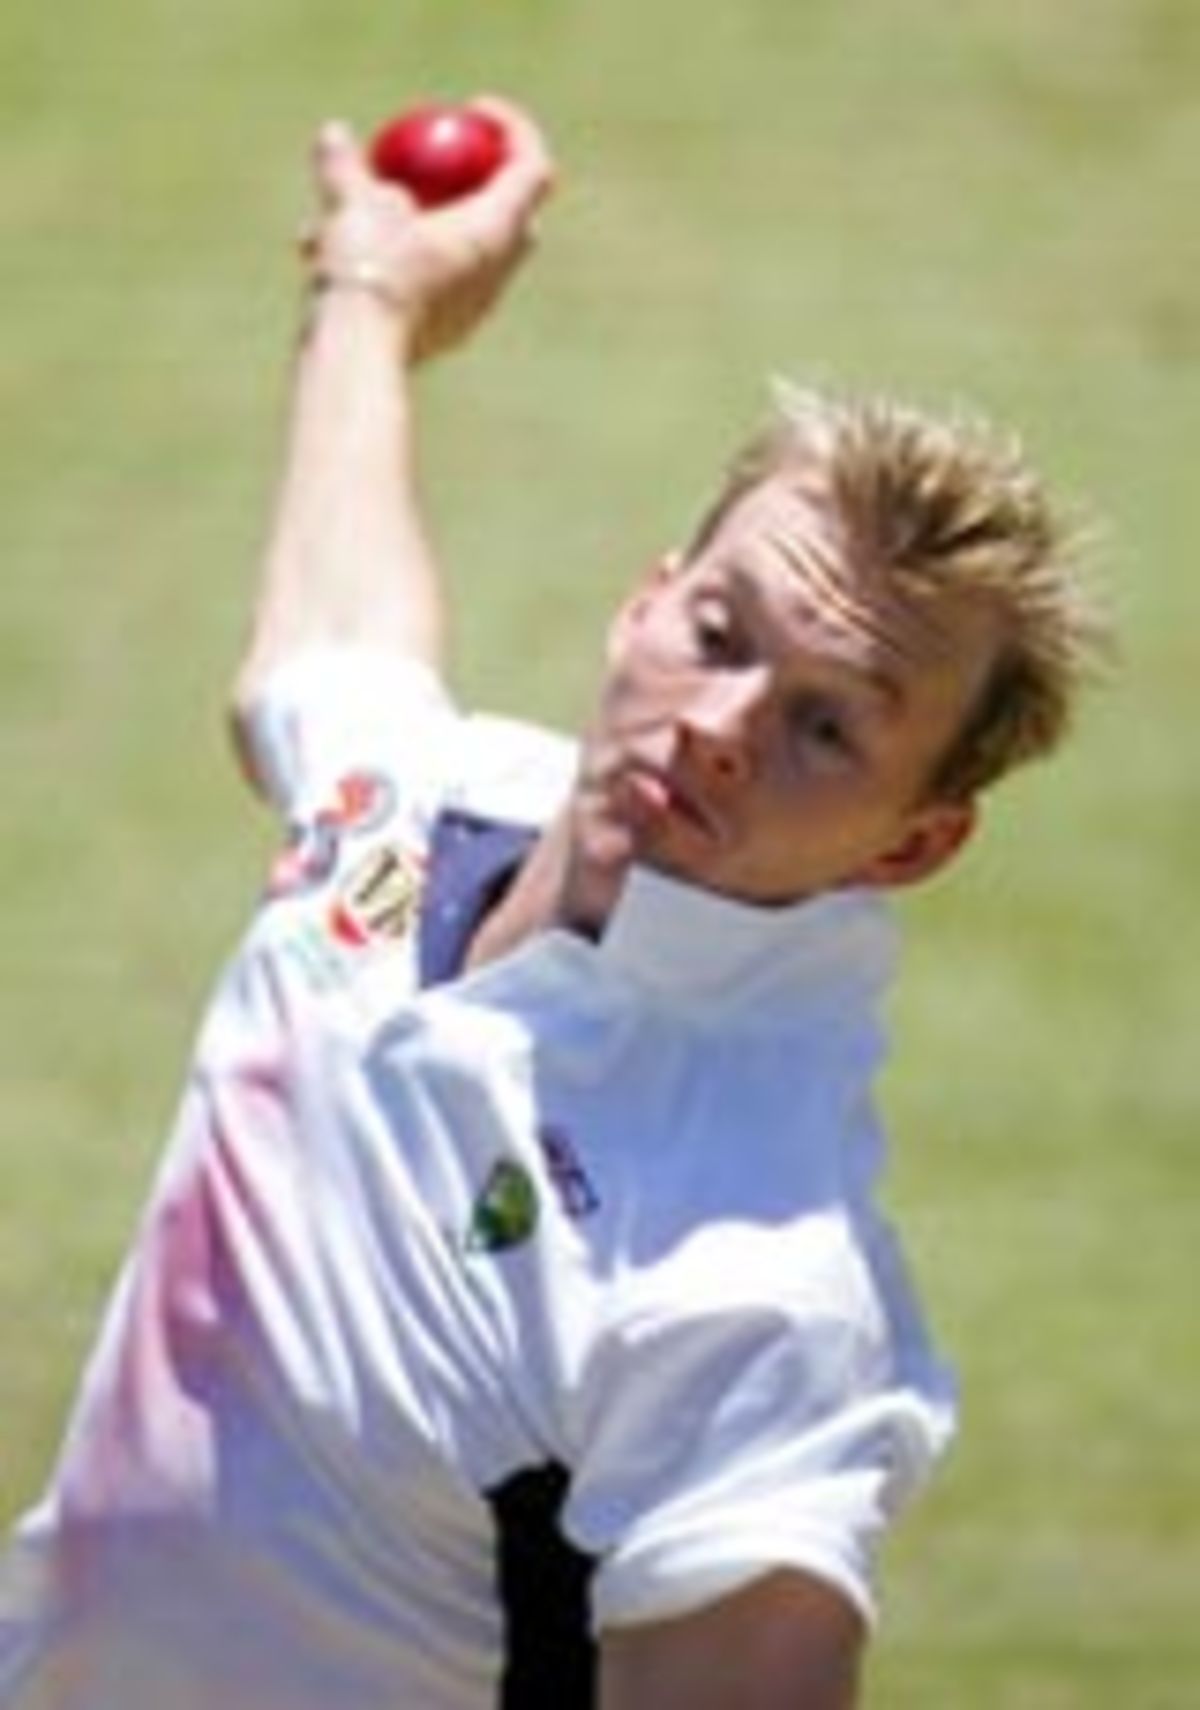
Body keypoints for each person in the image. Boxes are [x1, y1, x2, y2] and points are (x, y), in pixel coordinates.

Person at [0, 98, 1103, 1710]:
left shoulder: (751, 1286)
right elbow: (330, 642)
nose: (721, 724)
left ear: (909, 844)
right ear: (647, 596)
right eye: (722, 632)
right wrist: (372, 297)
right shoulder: (425, 799)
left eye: (826, 724)